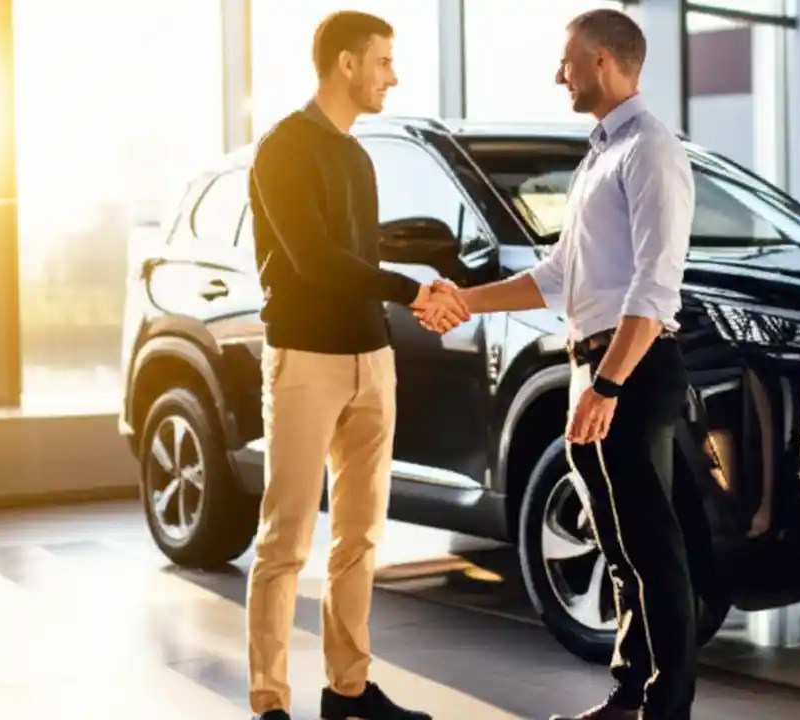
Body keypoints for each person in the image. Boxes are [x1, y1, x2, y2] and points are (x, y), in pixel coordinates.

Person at [417, 8, 697, 720]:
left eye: (568, 61)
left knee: (650, 544)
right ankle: (630, 694)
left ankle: (668, 707)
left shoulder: (650, 149)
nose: (558, 74)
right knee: (617, 542)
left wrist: (607, 385)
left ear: (603, 60)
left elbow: (654, 285)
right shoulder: (600, 155)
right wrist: (463, 300)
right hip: (595, 364)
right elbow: (556, 275)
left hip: (628, 371)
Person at [245, 10, 466, 720]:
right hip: (305, 361)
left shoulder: (357, 155)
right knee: (286, 539)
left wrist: (410, 299)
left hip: (373, 360)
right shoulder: (283, 149)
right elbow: (315, 262)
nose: (391, 76)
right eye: (383, 61)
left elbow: (359, 263)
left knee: (361, 536)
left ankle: (347, 691)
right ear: (345, 63)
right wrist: (411, 289)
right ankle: (270, 702)